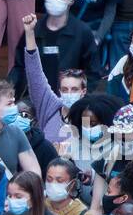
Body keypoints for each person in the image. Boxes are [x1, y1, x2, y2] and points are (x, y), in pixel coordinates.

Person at [10, 0, 99, 94]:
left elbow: (93, 72)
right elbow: (19, 66)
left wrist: (81, 99)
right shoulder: (34, 29)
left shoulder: (82, 32)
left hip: (68, 99)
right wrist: (11, 94)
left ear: (70, 1)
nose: (54, 0)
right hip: (36, 98)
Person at [23, 15, 87, 145]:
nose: (69, 93)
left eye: (74, 89)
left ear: (83, 91)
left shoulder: (91, 116)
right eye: (65, 89)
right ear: (59, 91)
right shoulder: (50, 106)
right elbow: (35, 75)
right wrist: (29, 33)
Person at [0, 81, 39, 175]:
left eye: (14, 103)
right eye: (9, 104)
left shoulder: (16, 133)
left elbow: (34, 171)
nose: (14, 107)